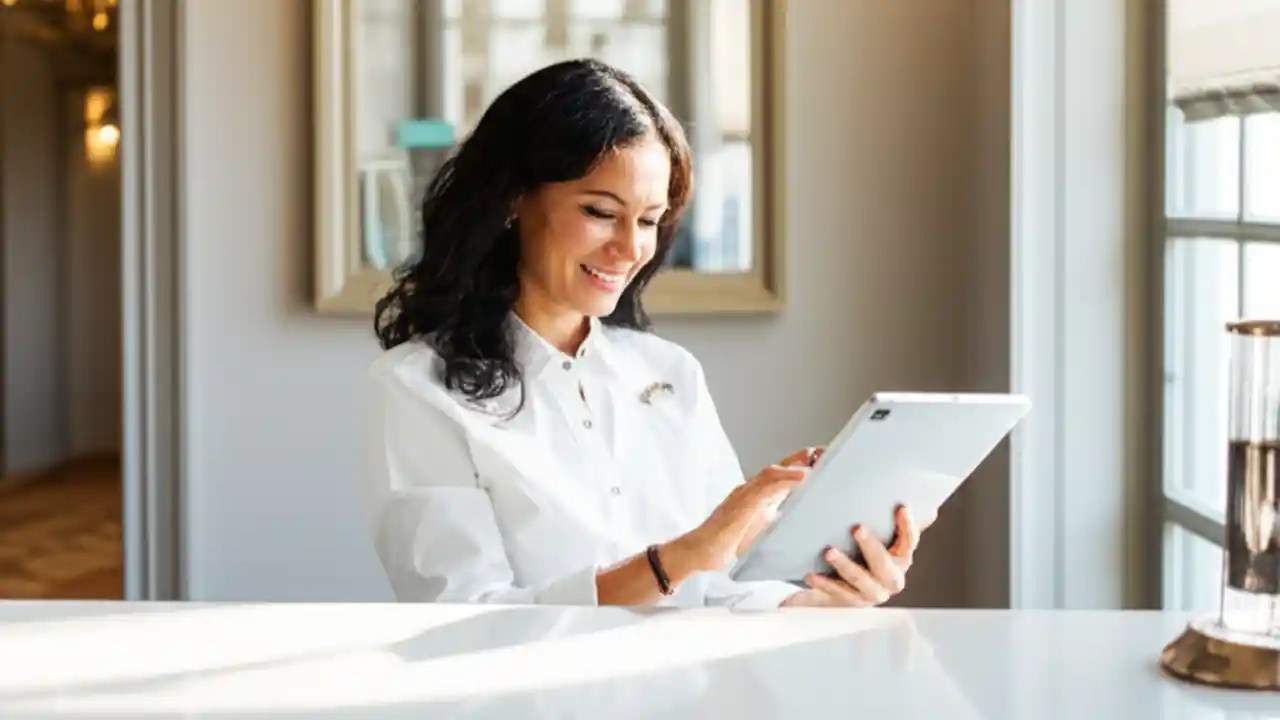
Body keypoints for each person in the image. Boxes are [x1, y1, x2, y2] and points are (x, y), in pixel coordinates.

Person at [365, 59, 927, 608]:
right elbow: (465, 612)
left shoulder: (669, 373)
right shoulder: (419, 387)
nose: (631, 247)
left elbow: (725, 588)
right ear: (514, 200)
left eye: (650, 220)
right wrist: (677, 560)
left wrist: (831, 597)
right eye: (600, 211)